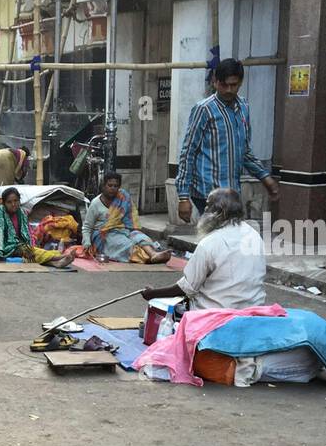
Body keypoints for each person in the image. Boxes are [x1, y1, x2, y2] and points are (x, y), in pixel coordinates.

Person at [174, 58, 280, 223]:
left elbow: (244, 150)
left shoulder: (244, 107)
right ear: (215, 82)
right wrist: (183, 197)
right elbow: (188, 152)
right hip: (207, 191)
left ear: (240, 83)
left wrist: (265, 177)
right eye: (224, 85)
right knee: (220, 236)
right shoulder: (204, 109)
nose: (229, 90)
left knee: (228, 239)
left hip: (232, 191)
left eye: (234, 85)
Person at [140, 187, 266, 311]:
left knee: (166, 308)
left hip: (215, 314)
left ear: (218, 211)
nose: (205, 210)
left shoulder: (210, 243)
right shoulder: (253, 235)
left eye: (208, 205)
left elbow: (186, 288)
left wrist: (153, 293)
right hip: (252, 311)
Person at [81, 171, 170, 263]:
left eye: (116, 186)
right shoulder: (95, 203)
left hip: (123, 230)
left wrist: (132, 232)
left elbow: (129, 219)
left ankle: (153, 254)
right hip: (104, 235)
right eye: (110, 185)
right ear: (103, 186)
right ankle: (146, 258)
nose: (112, 188)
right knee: (126, 245)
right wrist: (87, 242)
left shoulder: (122, 198)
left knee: (141, 237)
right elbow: (87, 227)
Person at [0, 187, 75, 268]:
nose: (13, 204)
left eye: (16, 201)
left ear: (19, 200)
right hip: (5, 248)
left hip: (18, 246)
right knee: (33, 252)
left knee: (31, 252)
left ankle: (55, 263)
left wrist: (27, 246)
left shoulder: (21, 213)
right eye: (9, 202)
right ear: (3, 203)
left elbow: (26, 234)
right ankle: (60, 257)